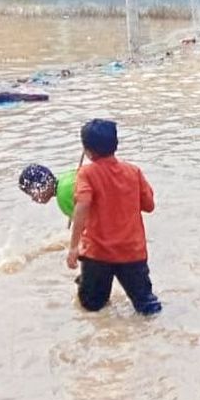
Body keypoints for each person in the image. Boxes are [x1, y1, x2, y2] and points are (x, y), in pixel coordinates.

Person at [67, 119, 161, 316]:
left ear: (87, 151)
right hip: (132, 252)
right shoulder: (133, 172)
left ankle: (85, 282)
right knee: (147, 307)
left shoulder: (86, 173)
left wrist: (74, 247)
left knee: (92, 308)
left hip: (97, 254)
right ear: (115, 145)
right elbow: (149, 206)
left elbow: (82, 206)